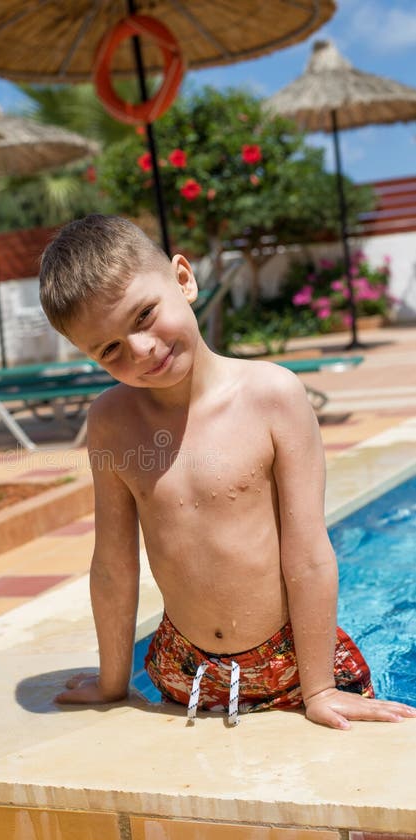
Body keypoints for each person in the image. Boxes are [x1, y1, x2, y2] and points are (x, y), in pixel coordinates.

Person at [39, 214, 416, 730]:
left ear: (183, 279)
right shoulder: (110, 423)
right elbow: (112, 563)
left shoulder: (272, 397)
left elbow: (307, 553)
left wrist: (321, 688)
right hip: (182, 667)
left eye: (144, 315)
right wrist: (112, 680)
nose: (141, 350)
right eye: (110, 350)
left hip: (292, 662)